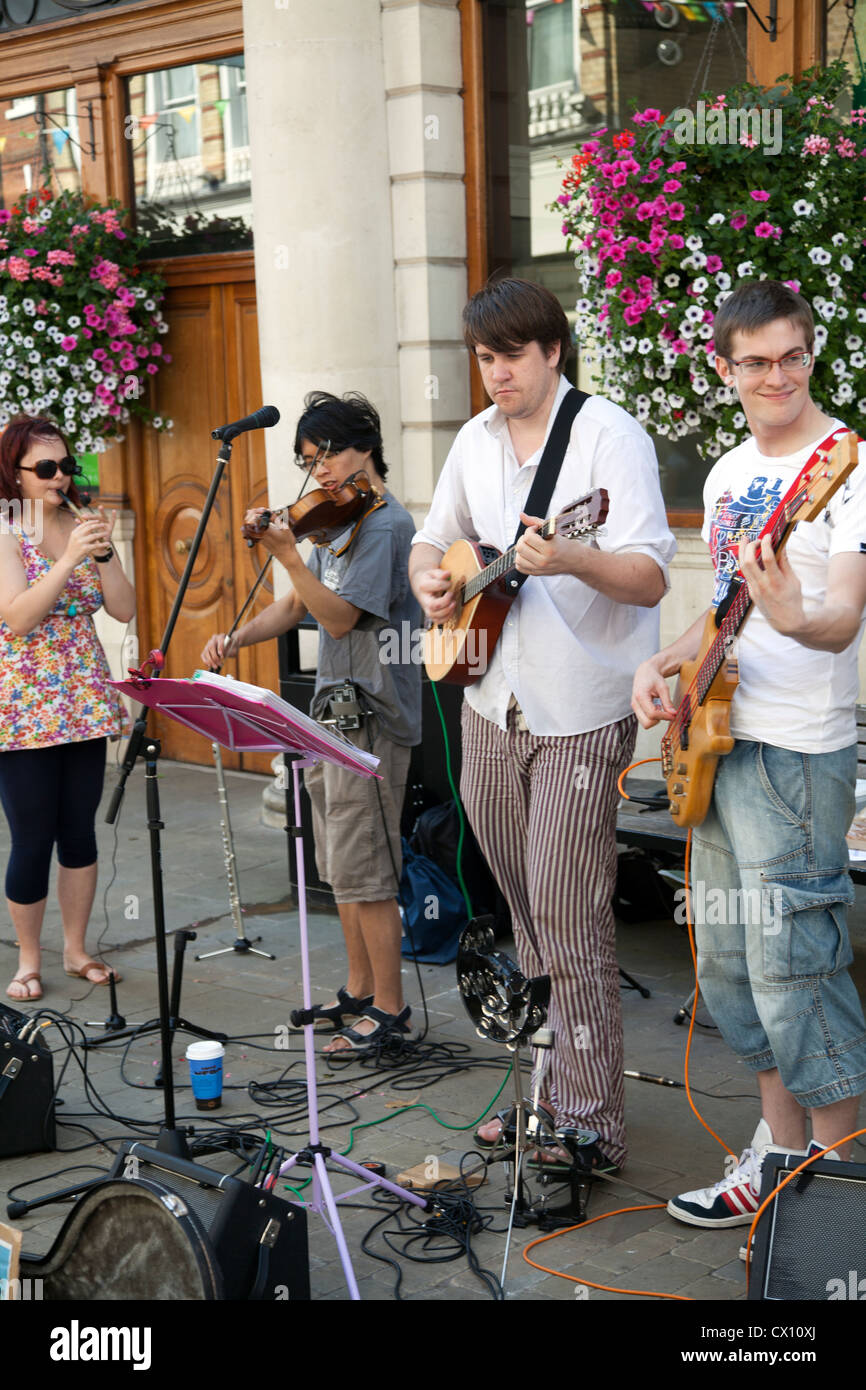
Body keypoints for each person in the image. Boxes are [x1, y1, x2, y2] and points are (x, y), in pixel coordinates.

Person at [409, 278, 675, 1170]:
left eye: (511, 357)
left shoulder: (610, 437)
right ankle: (547, 1096)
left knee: (570, 916)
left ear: (553, 350)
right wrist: (431, 583)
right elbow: (429, 539)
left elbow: (649, 576)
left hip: (579, 708)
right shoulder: (473, 442)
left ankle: (591, 1120)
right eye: (483, 359)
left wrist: (569, 556)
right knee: (524, 909)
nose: (495, 376)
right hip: (488, 699)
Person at [632, 279, 866, 1227]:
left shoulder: (845, 464)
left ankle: (840, 1185)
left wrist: (797, 617)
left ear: (813, 355)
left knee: (797, 967)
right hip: (719, 737)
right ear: (725, 370)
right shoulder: (730, 473)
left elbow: (842, 618)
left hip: (795, 754)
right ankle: (777, 1153)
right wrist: (669, 660)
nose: (779, 377)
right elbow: (726, 607)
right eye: (757, 362)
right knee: (730, 966)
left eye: (794, 357)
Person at [202, 391, 421, 1053]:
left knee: (367, 873)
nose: (319, 471)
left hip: (374, 716)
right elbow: (295, 605)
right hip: (331, 713)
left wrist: (289, 551)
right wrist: (237, 637)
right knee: (339, 867)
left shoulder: (383, 525)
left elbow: (339, 618)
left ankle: (389, 1011)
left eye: (327, 454)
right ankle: (357, 991)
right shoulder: (335, 524)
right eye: (308, 460)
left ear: (365, 446)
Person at [0, 415, 135, 1001]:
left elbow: (124, 610)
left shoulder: (82, 522)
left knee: (78, 831)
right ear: (15, 473)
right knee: (32, 836)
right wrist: (65, 560)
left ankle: (77, 948)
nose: (60, 478)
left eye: (66, 465)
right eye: (46, 469)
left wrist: (103, 555)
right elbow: (20, 617)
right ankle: (29, 960)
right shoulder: (7, 529)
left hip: (82, 699)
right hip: (25, 707)